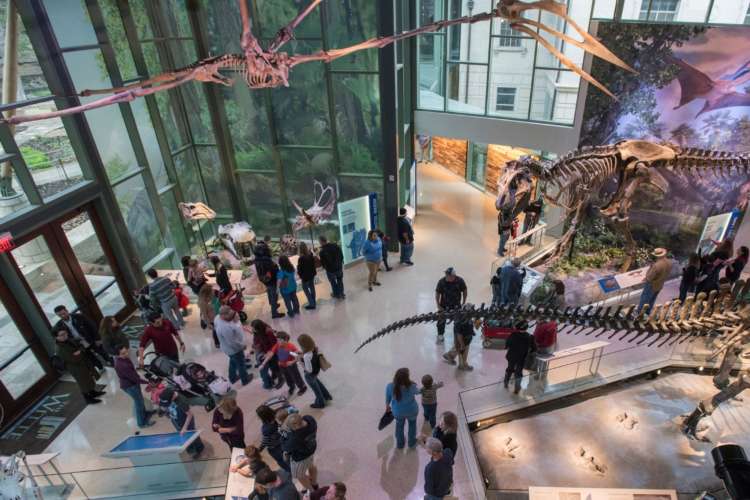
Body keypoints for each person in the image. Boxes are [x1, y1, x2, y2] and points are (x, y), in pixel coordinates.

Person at [53, 325, 104, 404]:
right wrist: (80, 351)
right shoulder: (60, 348)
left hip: (83, 363)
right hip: (75, 367)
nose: (65, 336)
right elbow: (74, 359)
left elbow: (81, 347)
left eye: (65, 333)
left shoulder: (68, 340)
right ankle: (88, 398)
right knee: (83, 382)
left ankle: (93, 392)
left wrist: (79, 351)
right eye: (62, 335)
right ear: (56, 337)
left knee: (89, 378)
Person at [114, 344, 154, 428]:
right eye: (123, 353)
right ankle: (141, 423)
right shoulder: (122, 365)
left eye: (126, 352)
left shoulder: (124, 359)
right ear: (118, 354)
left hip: (133, 383)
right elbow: (134, 378)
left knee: (140, 400)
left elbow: (133, 373)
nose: (126, 354)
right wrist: (147, 382)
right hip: (130, 386)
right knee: (138, 403)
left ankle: (145, 413)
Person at [159, 387, 205, 459]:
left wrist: (184, 428)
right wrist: (166, 411)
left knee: (191, 435)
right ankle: (191, 449)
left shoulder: (182, 401)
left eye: (168, 402)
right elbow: (164, 405)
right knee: (183, 435)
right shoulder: (166, 394)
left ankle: (199, 448)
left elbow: (190, 414)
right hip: (175, 419)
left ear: (173, 397)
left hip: (186, 421)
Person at [54, 305, 104, 369]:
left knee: (101, 351)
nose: (63, 316)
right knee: (90, 356)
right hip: (79, 344)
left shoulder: (79, 316)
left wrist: (97, 339)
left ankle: (111, 362)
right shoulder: (59, 325)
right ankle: (100, 367)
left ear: (67, 311)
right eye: (60, 315)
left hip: (89, 338)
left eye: (64, 313)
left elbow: (92, 326)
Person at [214, 306, 253, 386]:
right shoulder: (225, 328)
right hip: (234, 349)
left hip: (227, 348)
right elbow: (232, 342)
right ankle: (245, 380)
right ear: (223, 315)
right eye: (229, 315)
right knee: (241, 364)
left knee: (233, 362)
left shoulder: (217, 318)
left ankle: (233, 377)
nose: (231, 317)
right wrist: (242, 346)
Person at [262, 331, 307, 396]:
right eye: (277, 340)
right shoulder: (277, 345)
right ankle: (291, 387)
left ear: (285, 339)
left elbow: (298, 356)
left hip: (291, 366)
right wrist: (263, 363)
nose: (278, 342)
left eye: (280, 340)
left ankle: (302, 387)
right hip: (282, 366)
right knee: (287, 377)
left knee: (296, 377)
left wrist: (292, 362)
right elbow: (271, 354)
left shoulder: (291, 346)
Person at [283, 413, 319, 492]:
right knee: (311, 465)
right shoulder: (310, 419)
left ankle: (311, 490)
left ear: (296, 426)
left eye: (290, 428)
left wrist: (283, 436)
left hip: (300, 458)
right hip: (311, 448)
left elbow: (285, 447)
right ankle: (314, 483)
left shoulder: (295, 437)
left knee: (299, 476)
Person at [385, 367, 420, 449]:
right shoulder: (412, 386)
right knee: (412, 425)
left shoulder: (390, 386)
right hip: (412, 411)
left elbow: (387, 398)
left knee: (399, 426)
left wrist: (387, 406)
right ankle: (411, 443)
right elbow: (418, 392)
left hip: (398, 412)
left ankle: (400, 444)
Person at [297, 334, 332, 409]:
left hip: (309, 375)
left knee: (316, 390)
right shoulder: (315, 348)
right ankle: (327, 396)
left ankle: (320, 403)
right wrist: (302, 354)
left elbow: (309, 370)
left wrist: (300, 361)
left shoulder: (306, 356)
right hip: (316, 372)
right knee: (319, 384)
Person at [435, 268, 468, 344]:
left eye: (448, 275)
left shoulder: (460, 281)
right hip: (444, 306)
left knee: (458, 321)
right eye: (446, 274)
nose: (447, 276)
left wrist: (463, 302)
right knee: (441, 320)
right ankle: (440, 334)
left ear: (453, 276)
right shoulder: (441, 281)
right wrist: (438, 305)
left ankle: (457, 335)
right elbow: (437, 293)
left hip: (456, 306)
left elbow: (465, 290)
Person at [251, 319, 284, 390]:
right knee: (271, 366)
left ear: (259, 328)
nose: (252, 330)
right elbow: (256, 339)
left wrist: (269, 352)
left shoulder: (268, 332)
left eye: (254, 329)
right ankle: (274, 374)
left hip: (272, 352)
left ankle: (281, 379)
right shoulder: (257, 332)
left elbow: (274, 344)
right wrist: (255, 345)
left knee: (275, 366)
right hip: (265, 351)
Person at [256, 404, 290, 472]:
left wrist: (258, 450)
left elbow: (265, 441)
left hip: (274, 448)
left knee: (281, 461)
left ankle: (289, 471)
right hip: (282, 442)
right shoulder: (274, 419)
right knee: (287, 457)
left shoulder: (266, 429)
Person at [637, 248, 672, 313]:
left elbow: (649, 278)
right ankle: (647, 312)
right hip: (660, 284)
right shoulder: (669, 262)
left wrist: (650, 269)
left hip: (652, 285)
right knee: (652, 300)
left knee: (644, 300)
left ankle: (639, 313)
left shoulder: (656, 265)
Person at [504, 321, 535, 394]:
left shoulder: (512, 335)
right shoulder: (530, 337)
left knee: (510, 369)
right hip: (522, 358)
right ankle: (517, 388)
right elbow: (534, 348)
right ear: (527, 328)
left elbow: (507, 345)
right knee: (518, 372)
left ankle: (506, 383)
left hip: (511, 356)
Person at [255, 248, 285, 319]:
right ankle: (274, 313)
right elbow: (275, 271)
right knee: (274, 296)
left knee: (269, 293)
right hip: (272, 281)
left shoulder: (257, 260)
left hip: (265, 281)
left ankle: (273, 304)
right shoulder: (268, 261)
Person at [197, 283, 220, 348]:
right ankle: (217, 343)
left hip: (213, 317)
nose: (213, 292)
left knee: (216, 330)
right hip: (211, 320)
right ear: (207, 294)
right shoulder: (203, 303)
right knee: (215, 331)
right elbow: (204, 315)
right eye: (212, 292)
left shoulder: (207, 300)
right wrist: (208, 324)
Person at [297, 242, 317, 310]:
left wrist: (300, 275)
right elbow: (313, 265)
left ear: (300, 249)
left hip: (305, 277)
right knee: (312, 287)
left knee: (306, 289)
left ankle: (311, 304)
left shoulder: (301, 258)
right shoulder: (310, 255)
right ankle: (313, 301)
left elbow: (300, 269)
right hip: (311, 275)